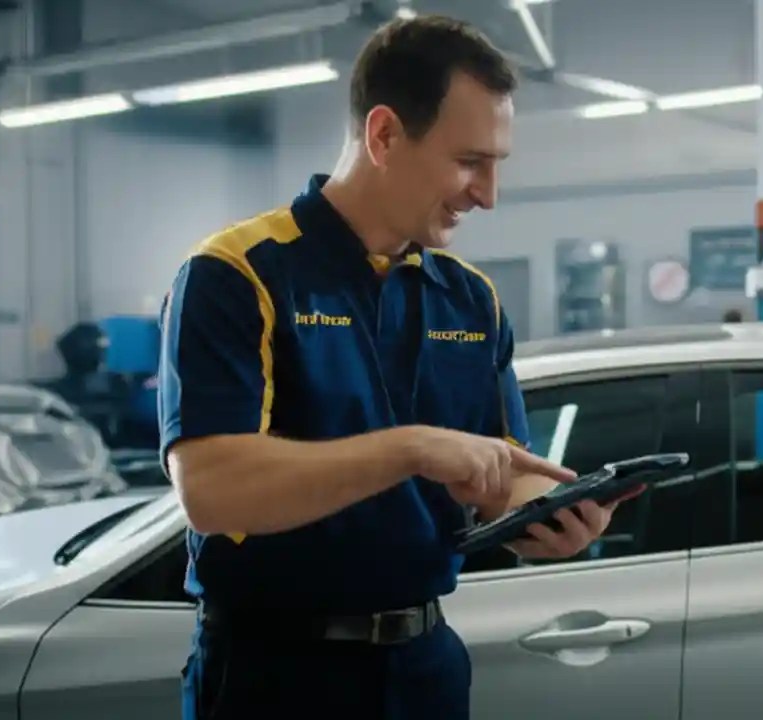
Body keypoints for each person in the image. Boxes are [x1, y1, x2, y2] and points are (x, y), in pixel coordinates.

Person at [158, 15, 635, 720]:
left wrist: (551, 512)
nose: (488, 193)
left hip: (425, 668)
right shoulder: (237, 274)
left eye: (497, 163)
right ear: (383, 135)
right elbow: (213, 490)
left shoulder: (470, 299)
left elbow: (497, 474)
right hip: (275, 677)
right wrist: (412, 449)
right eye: (470, 161)